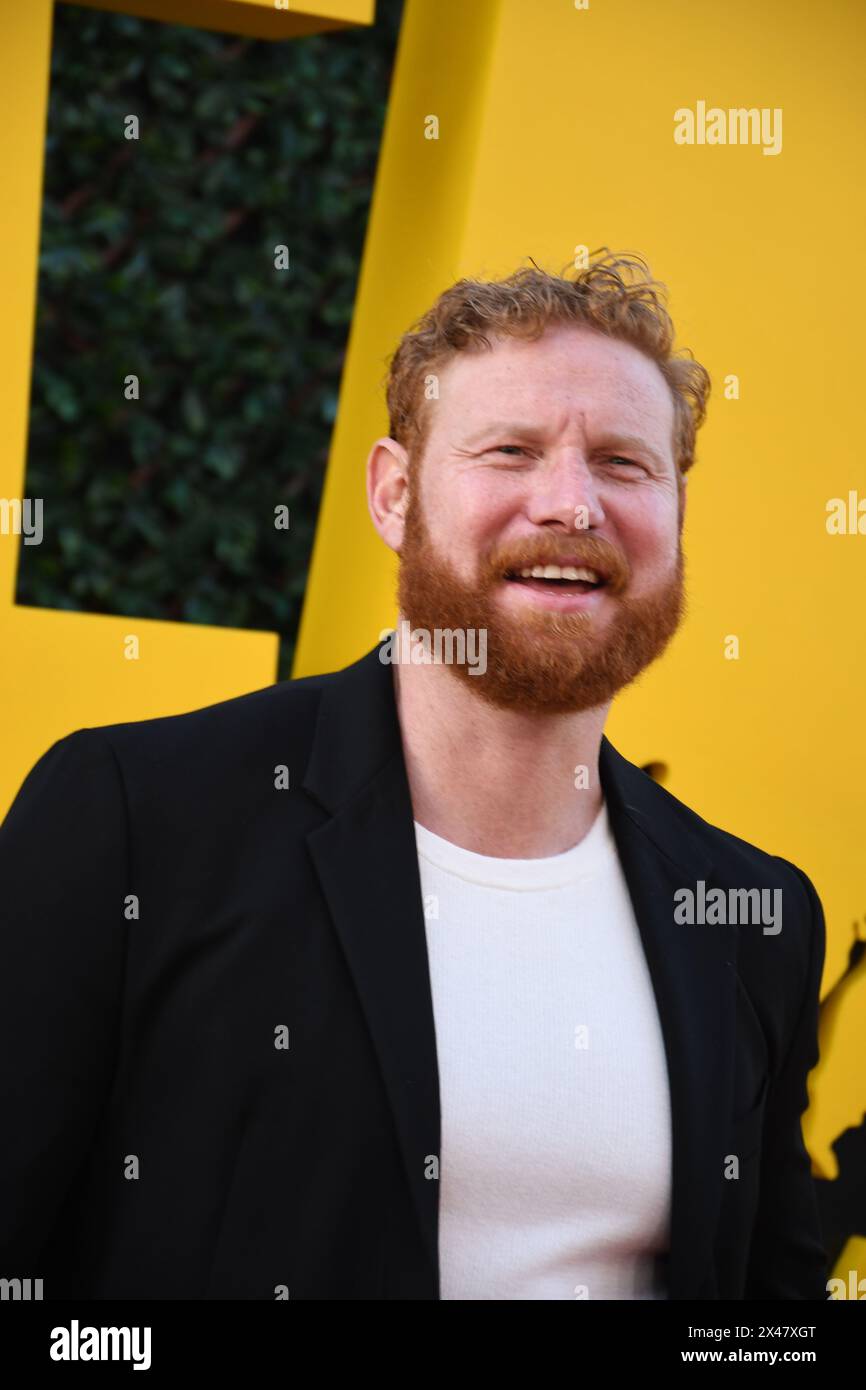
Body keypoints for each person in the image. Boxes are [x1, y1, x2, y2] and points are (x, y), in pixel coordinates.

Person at [0, 251, 828, 1300]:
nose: (568, 504)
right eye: (510, 450)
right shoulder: (134, 820)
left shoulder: (751, 915)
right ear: (393, 495)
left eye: (624, 463)